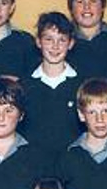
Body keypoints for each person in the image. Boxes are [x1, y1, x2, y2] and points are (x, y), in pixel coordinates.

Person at [20, 11, 82, 158]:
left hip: (73, 164)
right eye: (49, 39)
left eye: (61, 40)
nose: (55, 46)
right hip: (34, 163)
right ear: (38, 42)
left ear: (71, 43)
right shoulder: (24, 86)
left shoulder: (82, 85)